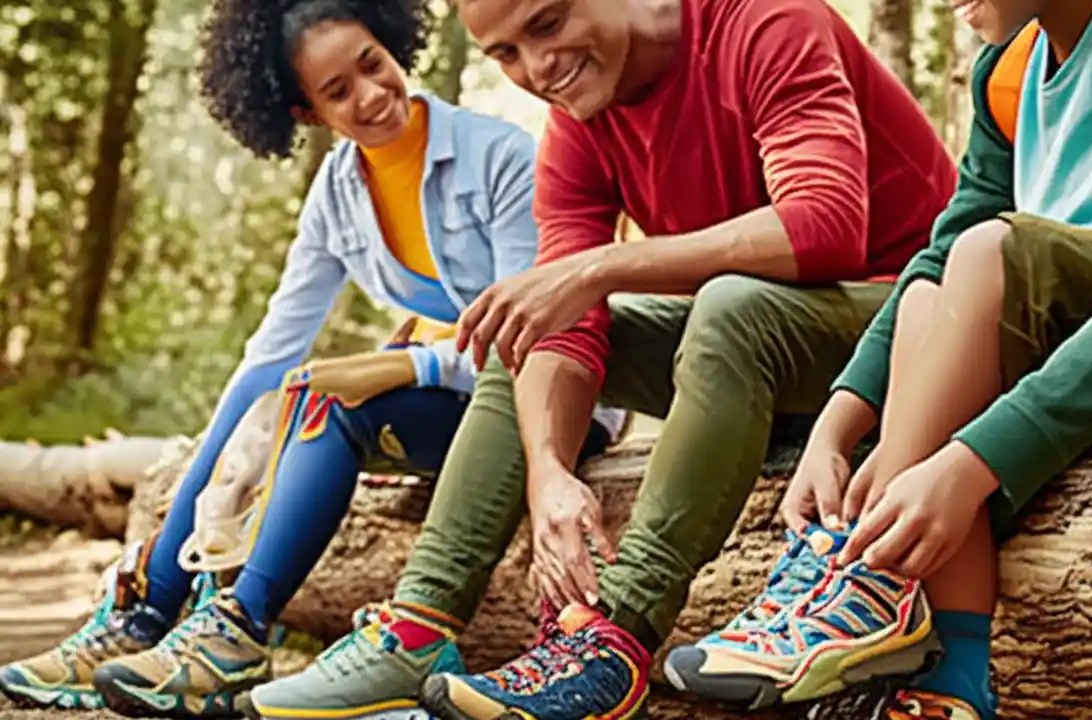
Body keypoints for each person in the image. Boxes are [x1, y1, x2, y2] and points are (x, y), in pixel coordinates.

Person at [247, 0, 953, 717]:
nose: (537, 68)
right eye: (506, 55)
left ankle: (612, 641)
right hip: (776, 354)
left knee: (731, 305)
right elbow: (563, 327)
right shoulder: (578, 123)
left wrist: (599, 268)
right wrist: (548, 475)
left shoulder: (766, 22)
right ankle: (417, 626)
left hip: (915, 334)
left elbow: (825, 222)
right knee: (523, 324)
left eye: (547, 25)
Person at [0, 0, 625, 715]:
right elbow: (268, 358)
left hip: (548, 407)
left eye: (373, 65)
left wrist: (405, 366)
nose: (371, 94)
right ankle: (142, 618)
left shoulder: (500, 156)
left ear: (393, 47)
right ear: (305, 114)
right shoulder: (337, 196)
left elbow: (540, 329)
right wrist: (208, 467)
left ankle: (236, 631)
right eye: (338, 92)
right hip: (455, 410)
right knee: (288, 389)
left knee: (331, 396)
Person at [668, 0, 1092, 717]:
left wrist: (969, 463)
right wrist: (837, 423)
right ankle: (947, 683)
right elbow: (936, 258)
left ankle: (866, 577)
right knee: (936, 288)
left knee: (987, 250)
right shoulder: (1010, 68)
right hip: (1083, 358)